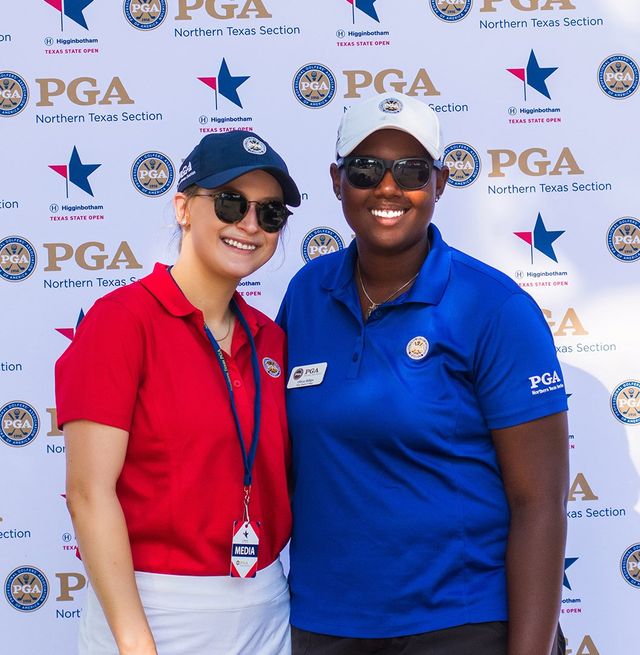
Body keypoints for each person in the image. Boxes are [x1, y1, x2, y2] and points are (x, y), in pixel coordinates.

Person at [277, 93, 569, 655]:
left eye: (411, 171)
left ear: (439, 183)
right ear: (337, 182)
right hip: (325, 624)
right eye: (365, 170)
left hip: (461, 627)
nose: (387, 188)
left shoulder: (495, 308)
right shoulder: (308, 293)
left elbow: (540, 503)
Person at [56, 130, 300, 655]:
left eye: (270, 214)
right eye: (230, 202)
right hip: (156, 608)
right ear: (184, 208)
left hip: (266, 606)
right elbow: (88, 493)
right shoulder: (121, 321)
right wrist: (134, 640)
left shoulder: (270, 338)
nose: (250, 225)